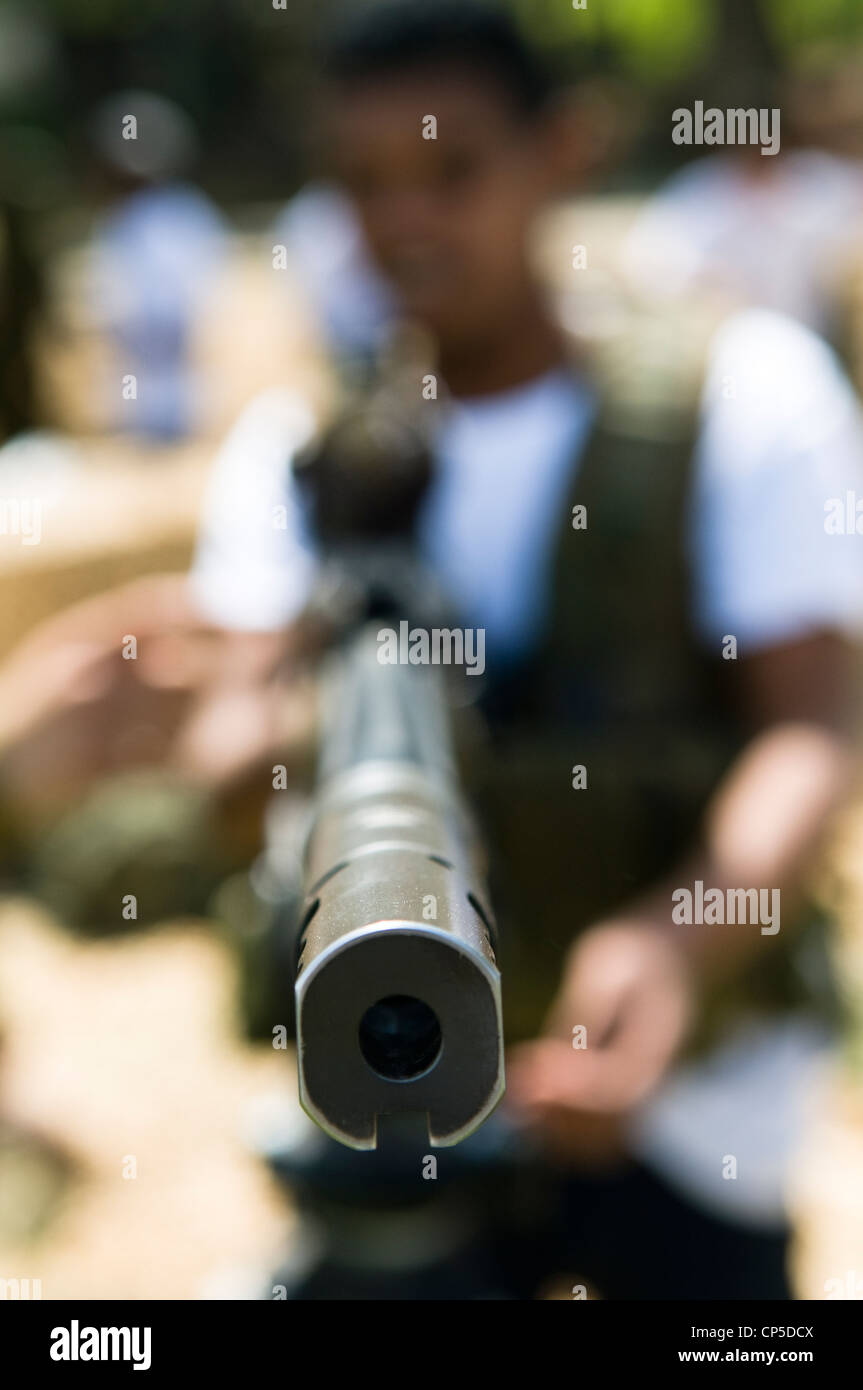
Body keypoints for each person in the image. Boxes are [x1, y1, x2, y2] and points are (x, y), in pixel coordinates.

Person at [3, 1, 863, 1297]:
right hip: (386, 1103)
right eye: (363, 182)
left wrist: (675, 941)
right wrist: (208, 756)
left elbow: (813, 721)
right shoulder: (298, 458)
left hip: (691, 1102)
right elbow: (244, 777)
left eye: (451, 170)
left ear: (561, 150)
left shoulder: (742, 395)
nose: (405, 219)